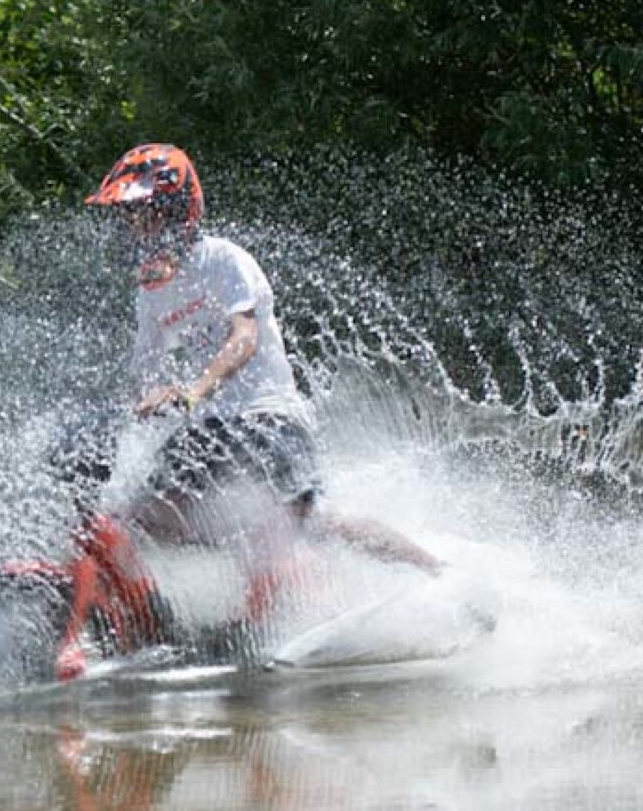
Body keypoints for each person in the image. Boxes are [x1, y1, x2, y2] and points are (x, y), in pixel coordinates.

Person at [49, 143, 441, 677]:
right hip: (208, 431)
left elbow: (244, 338)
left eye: (142, 214)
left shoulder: (224, 259)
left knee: (307, 523)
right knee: (129, 523)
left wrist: (192, 390)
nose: (134, 229)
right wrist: (108, 415)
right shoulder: (151, 294)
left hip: (268, 420)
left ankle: (437, 575)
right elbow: (143, 380)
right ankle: (149, 628)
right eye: (128, 218)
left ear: (175, 211)